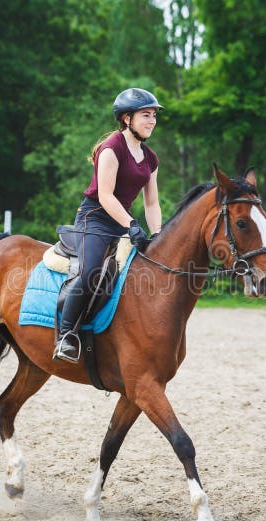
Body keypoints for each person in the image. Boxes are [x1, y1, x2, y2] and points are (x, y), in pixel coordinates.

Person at [53, 88, 164, 363]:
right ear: (127, 119)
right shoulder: (111, 149)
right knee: (91, 271)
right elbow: (105, 195)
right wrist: (131, 224)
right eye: (145, 115)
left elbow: (152, 204)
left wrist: (158, 235)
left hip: (123, 223)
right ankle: (66, 335)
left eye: (153, 116)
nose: (152, 121)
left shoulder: (151, 158)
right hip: (95, 219)